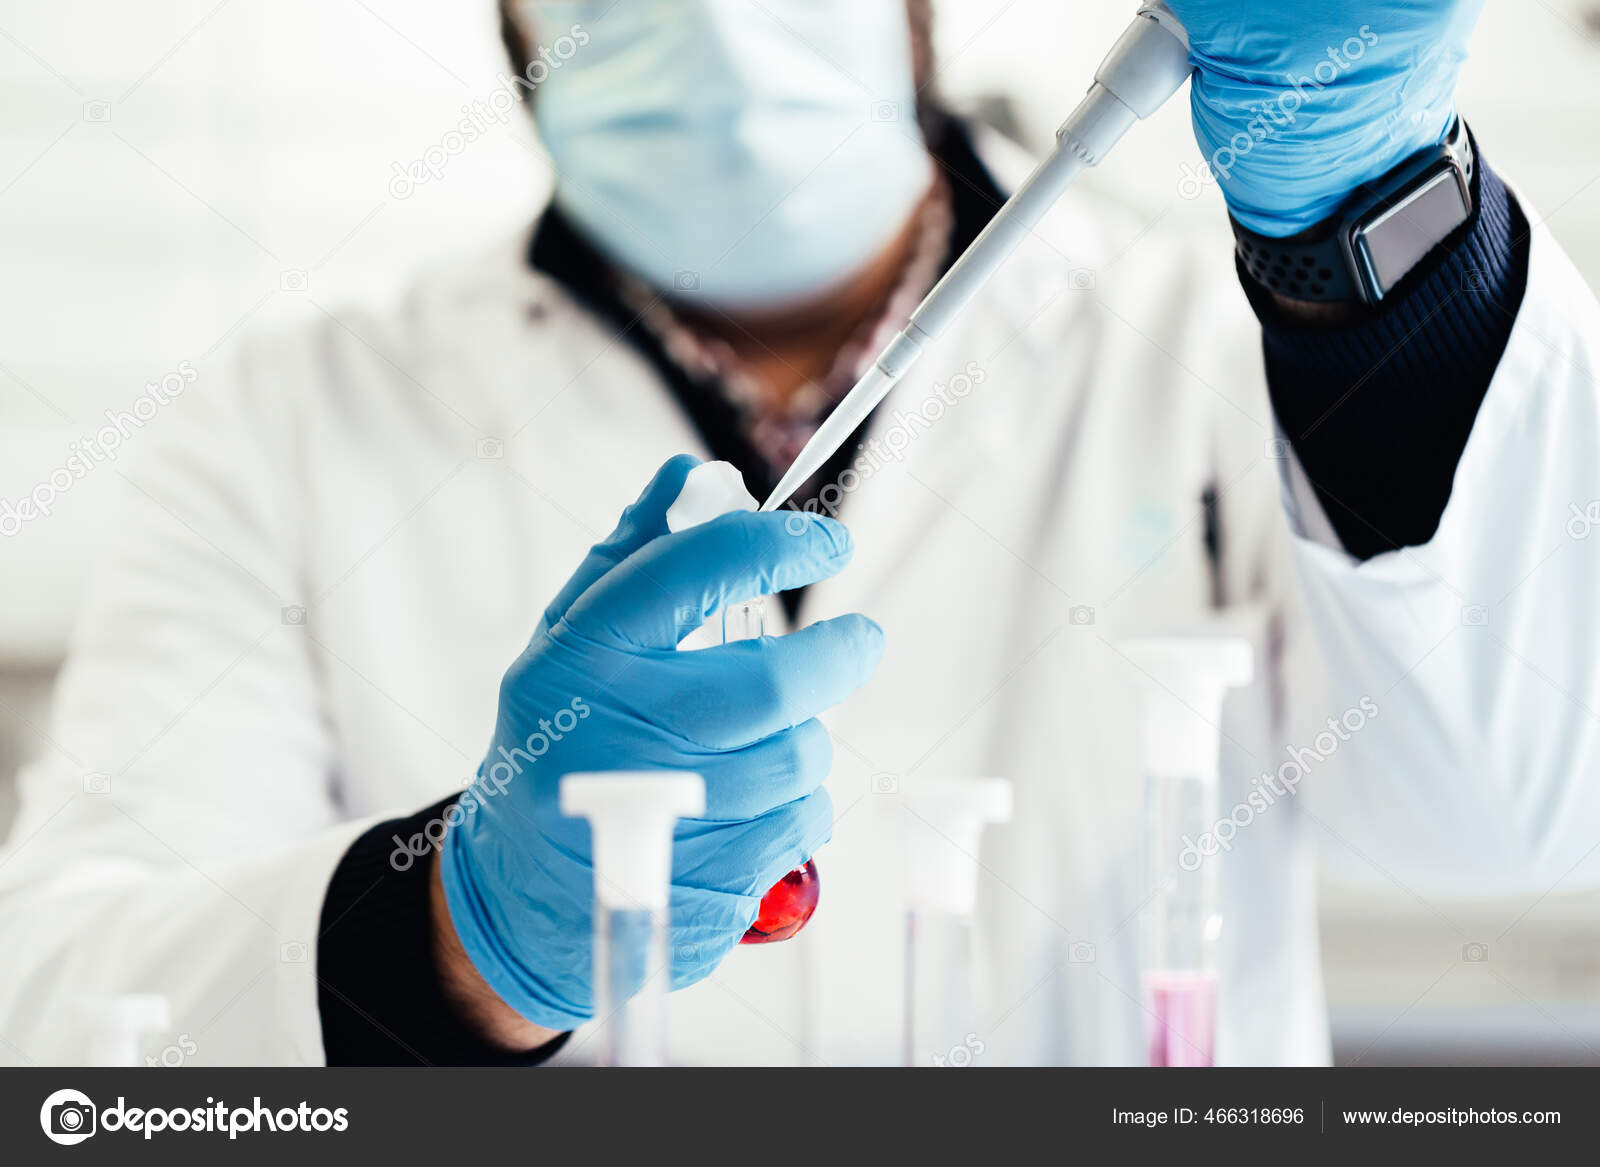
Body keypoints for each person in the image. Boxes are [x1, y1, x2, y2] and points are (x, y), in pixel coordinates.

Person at [2, 0, 1597, 1066]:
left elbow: (1517, 809)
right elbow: (71, 1040)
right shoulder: (285, 428)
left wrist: (1377, 228)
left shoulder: (1208, 335)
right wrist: (457, 936)